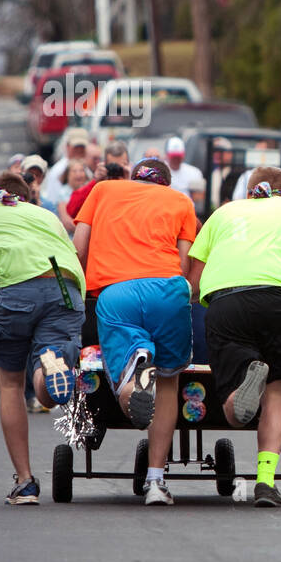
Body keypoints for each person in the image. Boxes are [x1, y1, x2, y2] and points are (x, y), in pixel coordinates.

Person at [187, 166, 281, 508]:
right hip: (277, 298)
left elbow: (194, 280)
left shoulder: (224, 212)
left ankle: (243, 383)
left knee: (232, 399)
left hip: (226, 300)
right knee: (277, 390)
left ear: (249, 190)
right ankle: (265, 481)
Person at [0, 172, 86, 504]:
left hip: (17, 291)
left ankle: (25, 483)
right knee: (46, 368)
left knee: (11, 383)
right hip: (65, 289)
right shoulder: (46, 215)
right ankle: (50, 367)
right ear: (26, 196)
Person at [73, 160, 198, 506]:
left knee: (124, 373)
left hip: (116, 292)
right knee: (170, 382)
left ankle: (136, 374)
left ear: (133, 178)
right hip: (168, 290)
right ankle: (156, 481)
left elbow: (79, 248)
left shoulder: (103, 190)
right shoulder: (181, 202)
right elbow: (186, 263)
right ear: (166, 183)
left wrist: (83, 291)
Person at [45, 127, 90, 207]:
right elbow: (53, 201)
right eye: (76, 147)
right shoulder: (58, 171)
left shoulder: (88, 168)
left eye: (82, 147)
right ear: (67, 146)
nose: (79, 150)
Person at [164, 137, 206, 205]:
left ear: (183, 156)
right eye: (173, 156)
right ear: (167, 155)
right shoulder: (160, 171)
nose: (176, 159)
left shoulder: (194, 172)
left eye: (178, 156)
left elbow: (199, 198)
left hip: (188, 210)